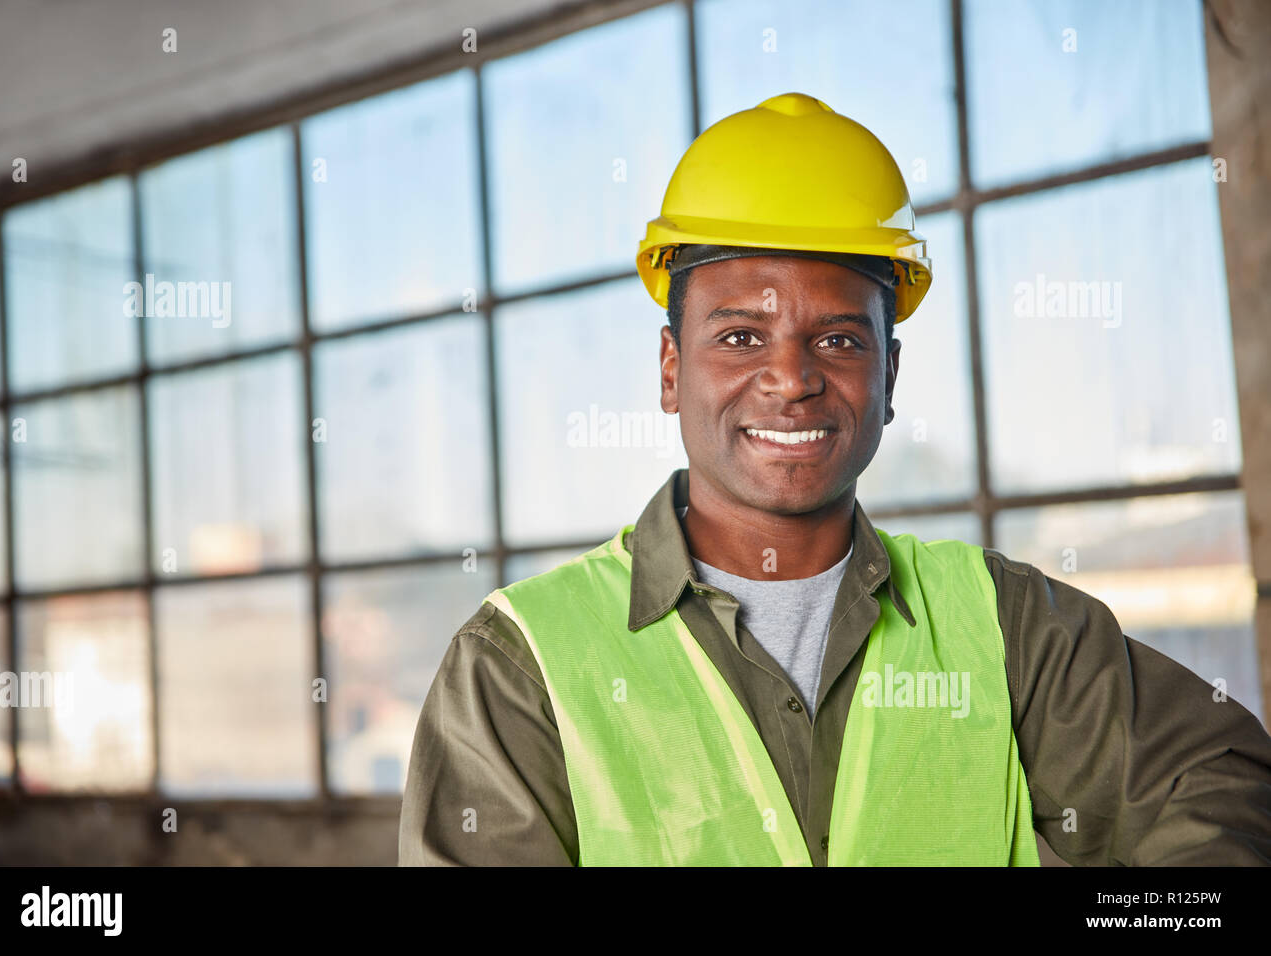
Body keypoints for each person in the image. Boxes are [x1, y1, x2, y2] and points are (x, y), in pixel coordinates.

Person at [399, 92, 1271, 866]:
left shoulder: (1004, 628)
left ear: (888, 376)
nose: (792, 378)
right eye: (741, 336)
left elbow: (1216, 789)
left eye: (839, 340)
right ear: (670, 368)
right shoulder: (519, 666)